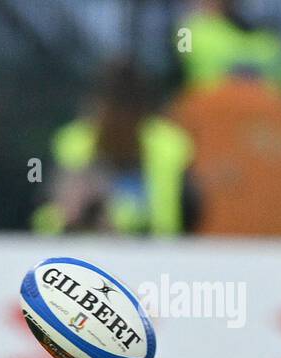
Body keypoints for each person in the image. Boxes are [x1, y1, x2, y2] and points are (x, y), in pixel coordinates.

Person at [32, 60, 194, 237]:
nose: (118, 119)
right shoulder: (71, 144)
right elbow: (42, 217)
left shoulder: (169, 147)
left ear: (142, 112)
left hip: (156, 261)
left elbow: (190, 219)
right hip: (81, 259)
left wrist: (121, 219)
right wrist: (71, 216)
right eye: (111, 107)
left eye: (126, 107)